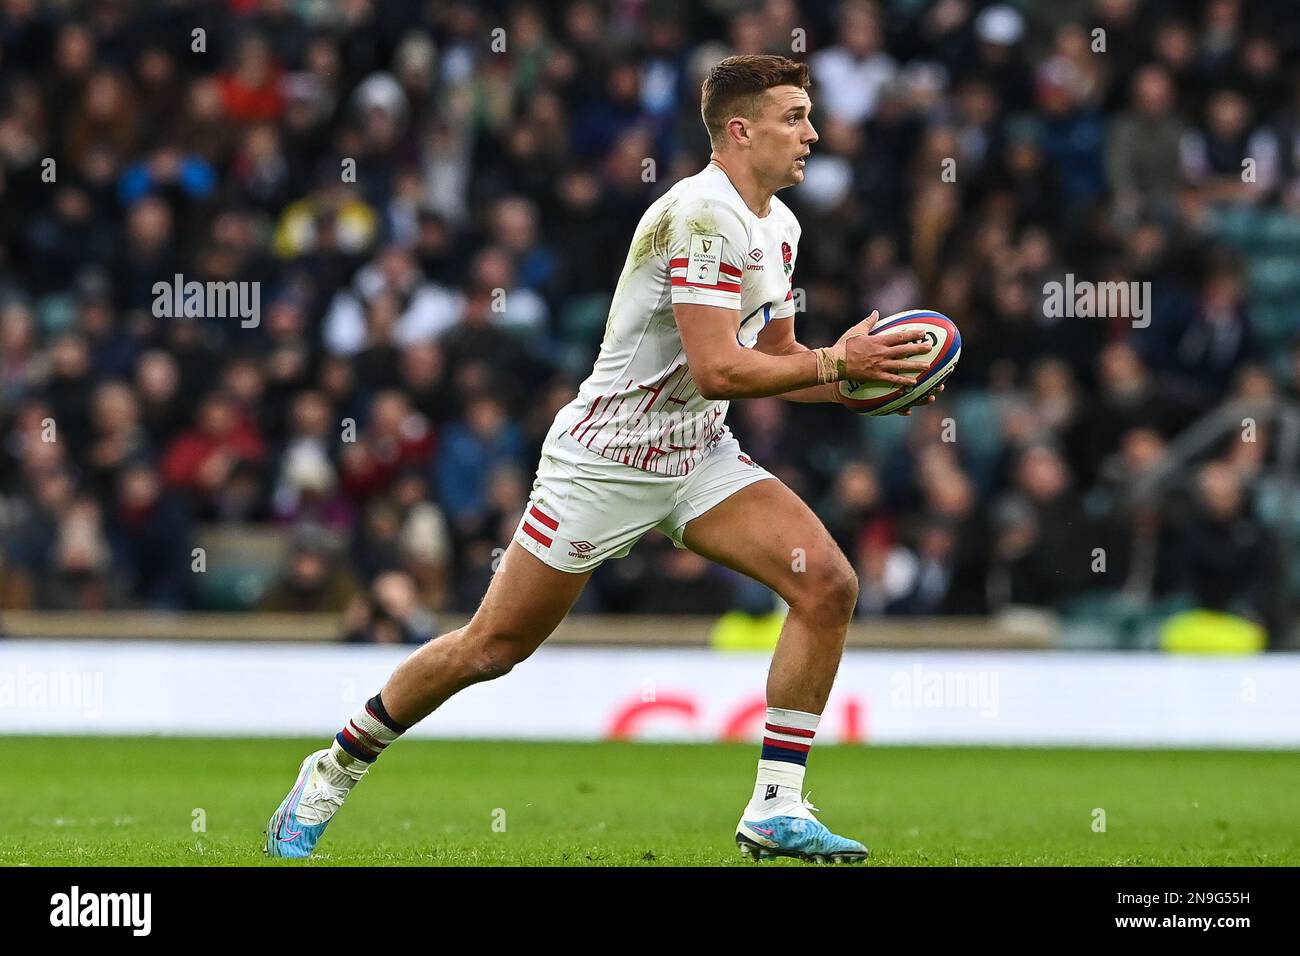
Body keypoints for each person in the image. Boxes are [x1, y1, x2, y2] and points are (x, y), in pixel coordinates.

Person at [265, 54, 938, 864]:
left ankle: (776, 805)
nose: (812, 133)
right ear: (739, 129)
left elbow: (779, 363)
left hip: (696, 454)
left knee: (828, 583)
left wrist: (867, 380)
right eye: (794, 116)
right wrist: (838, 363)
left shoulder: (780, 227)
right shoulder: (698, 214)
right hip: (605, 464)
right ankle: (332, 770)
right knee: (492, 647)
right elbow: (722, 366)